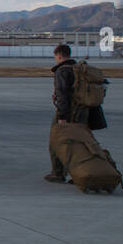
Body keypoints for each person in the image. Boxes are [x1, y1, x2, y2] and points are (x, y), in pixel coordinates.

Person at [46, 44, 88, 183]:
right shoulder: (78, 69)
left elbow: (62, 95)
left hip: (69, 111)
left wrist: (62, 116)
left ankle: (58, 173)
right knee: (79, 144)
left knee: (56, 141)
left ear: (59, 56)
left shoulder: (62, 71)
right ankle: (80, 174)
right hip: (82, 111)